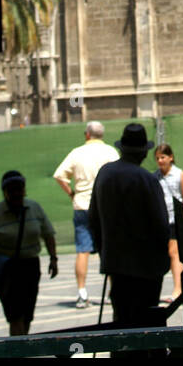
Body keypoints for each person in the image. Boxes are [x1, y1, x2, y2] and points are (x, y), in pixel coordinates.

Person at [89, 123, 170, 353]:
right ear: (144, 151)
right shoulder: (146, 179)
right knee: (146, 328)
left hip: (116, 263)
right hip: (145, 268)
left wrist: (104, 249)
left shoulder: (105, 173)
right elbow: (161, 225)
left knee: (121, 325)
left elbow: (93, 217)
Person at [0, 170, 58, 336]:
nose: (16, 193)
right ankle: (18, 349)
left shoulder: (34, 209)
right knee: (15, 316)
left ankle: (21, 347)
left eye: (19, 189)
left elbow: (48, 234)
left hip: (30, 266)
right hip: (7, 269)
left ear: (24, 190)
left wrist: (53, 259)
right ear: (4, 192)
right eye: (11, 190)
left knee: (27, 316)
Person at [53, 119, 119, 308]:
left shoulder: (77, 153)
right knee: (109, 249)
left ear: (87, 134)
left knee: (83, 250)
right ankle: (112, 292)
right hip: (105, 206)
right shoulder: (110, 152)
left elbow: (59, 175)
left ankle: (82, 292)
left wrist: (72, 193)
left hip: (82, 204)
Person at [153, 143, 183, 304]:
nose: (160, 161)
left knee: (174, 253)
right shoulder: (154, 177)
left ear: (171, 157)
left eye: (163, 157)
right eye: (157, 158)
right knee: (166, 255)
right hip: (161, 220)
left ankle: (178, 288)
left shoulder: (179, 175)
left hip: (176, 220)